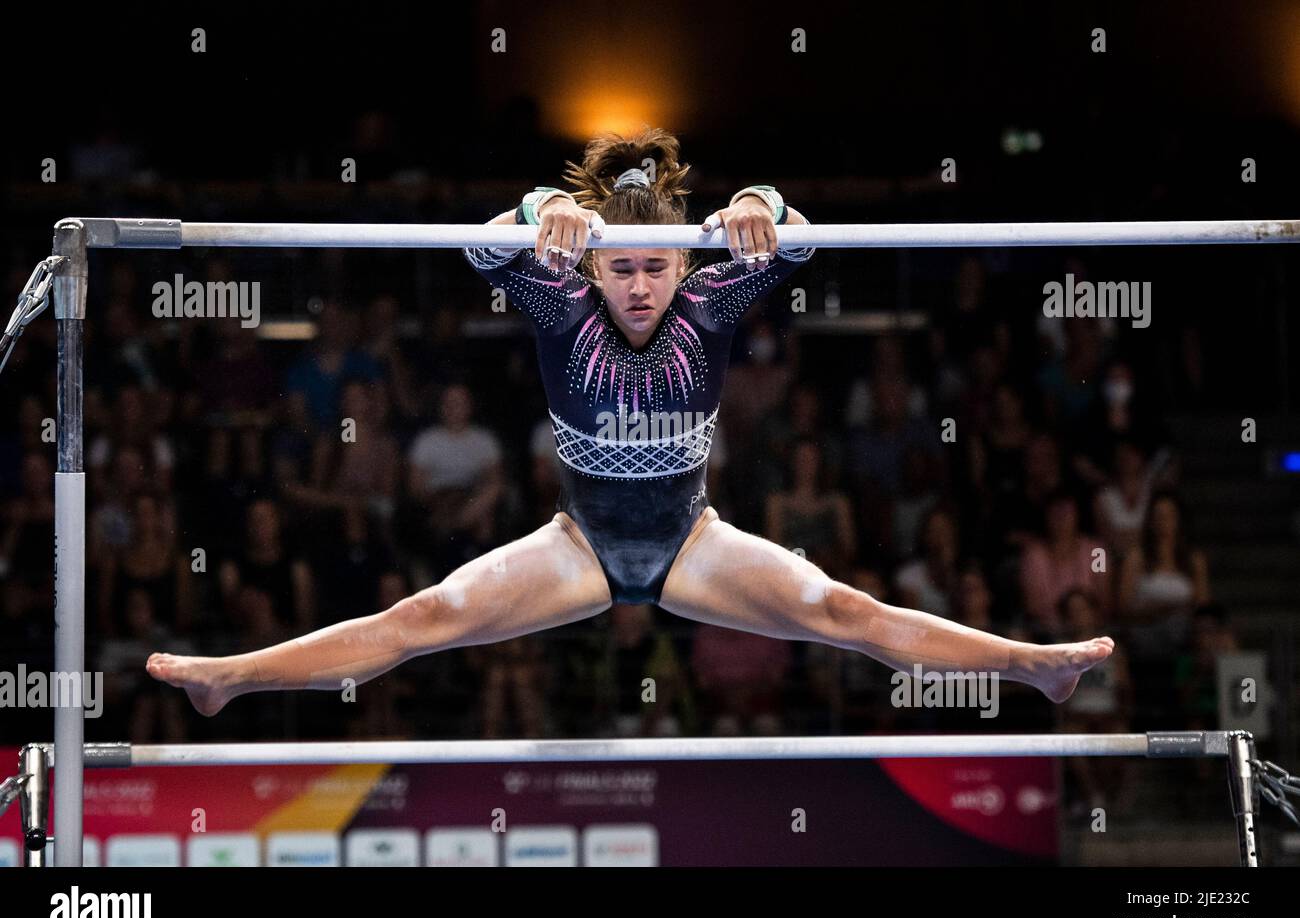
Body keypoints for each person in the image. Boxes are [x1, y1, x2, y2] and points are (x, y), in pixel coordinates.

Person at [147, 127, 1112, 718]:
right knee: (424, 618)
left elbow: (802, 237)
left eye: (657, 268)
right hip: (579, 545)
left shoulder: (713, 305)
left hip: (693, 542)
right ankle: (229, 677)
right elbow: (484, 251)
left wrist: (757, 204)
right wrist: (540, 209)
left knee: (841, 613)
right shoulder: (557, 296)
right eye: (623, 268)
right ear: (594, 266)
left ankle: (1034, 668)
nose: (642, 287)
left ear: (684, 265)